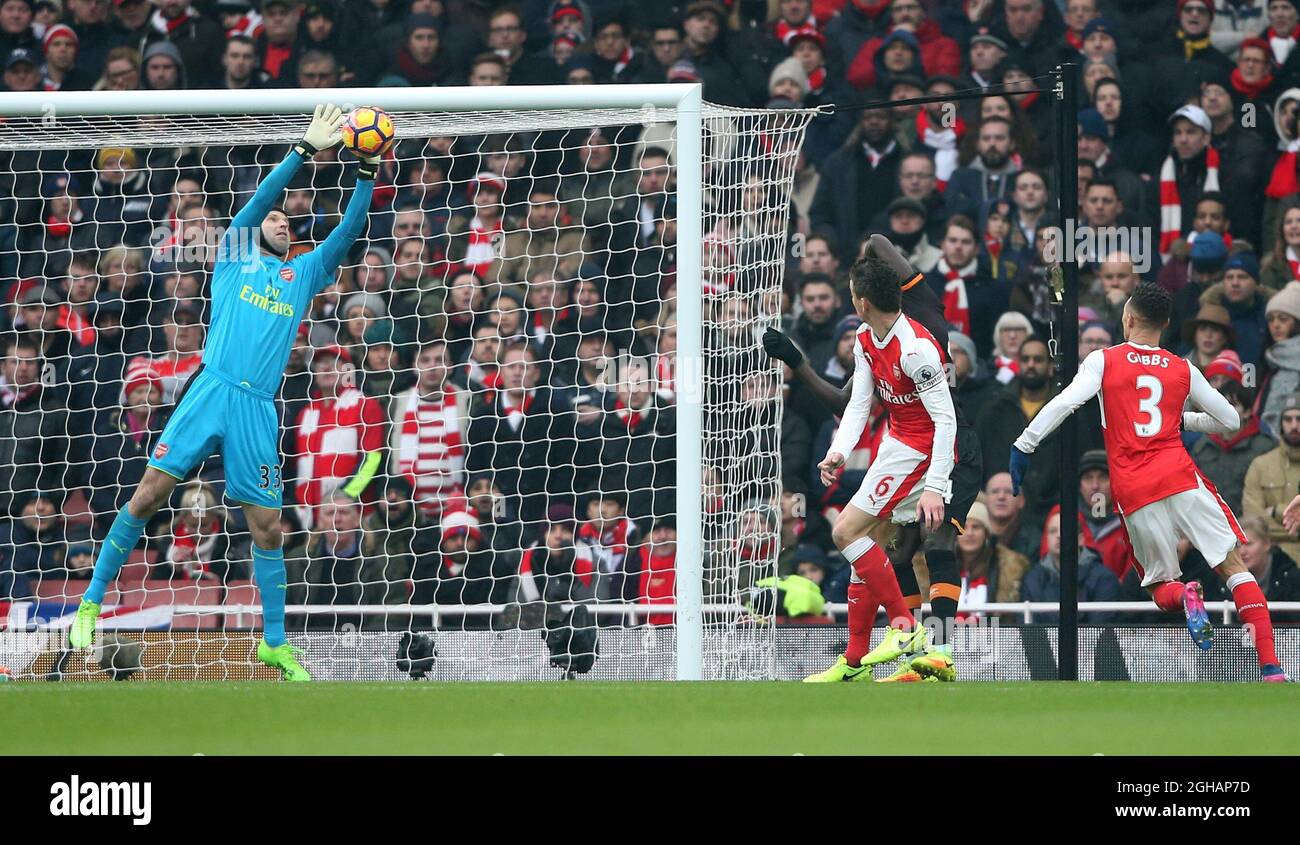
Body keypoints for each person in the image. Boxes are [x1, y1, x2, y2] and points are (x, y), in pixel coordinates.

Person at [69, 105, 381, 682]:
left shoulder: (305, 274)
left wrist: (365, 170)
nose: (284, 220)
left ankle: (276, 645)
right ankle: (89, 605)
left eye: (292, 222)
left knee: (266, 527)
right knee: (149, 496)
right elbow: (259, 202)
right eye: (277, 218)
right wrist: (303, 151)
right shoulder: (233, 257)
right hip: (209, 389)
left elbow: (349, 233)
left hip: (258, 409)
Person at [1012, 283, 1289, 681]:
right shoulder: (1182, 367)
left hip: (1135, 490)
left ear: (1129, 318)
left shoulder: (1104, 360)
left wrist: (1025, 444)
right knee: (1234, 567)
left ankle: (1187, 595)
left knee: (1161, 587)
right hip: (1181, 476)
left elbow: (1066, 402)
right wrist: (1182, 420)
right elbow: (1230, 421)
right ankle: (1271, 667)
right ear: (1165, 324)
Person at [801, 247, 963, 684]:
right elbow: (858, 403)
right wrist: (838, 449)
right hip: (897, 446)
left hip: (924, 451)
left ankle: (903, 625)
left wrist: (935, 486)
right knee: (863, 551)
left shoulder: (915, 351)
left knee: (844, 531)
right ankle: (853, 662)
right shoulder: (866, 339)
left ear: (862, 301)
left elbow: (946, 419)